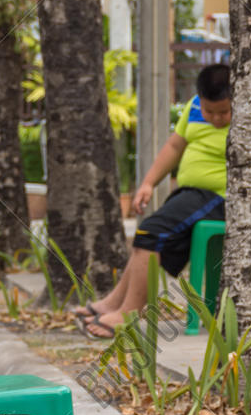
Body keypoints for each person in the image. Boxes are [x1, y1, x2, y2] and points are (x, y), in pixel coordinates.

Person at [75, 62, 232, 337]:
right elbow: (174, 145)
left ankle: (129, 314)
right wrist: (148, 183)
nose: (216, 119)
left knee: (151, 231)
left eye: (223, 112)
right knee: (146, 233)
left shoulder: (250, 112)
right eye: (209, 111)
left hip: (217, 198)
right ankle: (114, 303)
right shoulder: (195, 107)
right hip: (191, 195)